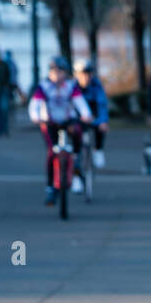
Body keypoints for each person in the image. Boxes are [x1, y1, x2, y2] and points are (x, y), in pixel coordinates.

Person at [27, 56, 92, 205]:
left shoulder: (70, 86)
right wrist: (36, 117)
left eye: (60, 71)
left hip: (67, 120)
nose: (57, 75)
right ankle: (50, 186)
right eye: (54, 71)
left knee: (77, 130)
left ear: (66, 73)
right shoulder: (43, 87)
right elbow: (34, 105)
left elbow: (80, 103)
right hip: (50, 123)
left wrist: (86, 115)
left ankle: (76, 159)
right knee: (51, 152)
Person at [74, 60, 109, 167]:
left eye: (88, 74)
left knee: (101, 127)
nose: (86, 77)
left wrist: (102, 121)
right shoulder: (72, 86)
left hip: (93, 114)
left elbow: (102, 104)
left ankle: (98, 150)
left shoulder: (96, 85)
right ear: (76, 75)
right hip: (77, 116)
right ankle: (76, 154)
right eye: (82, 74)